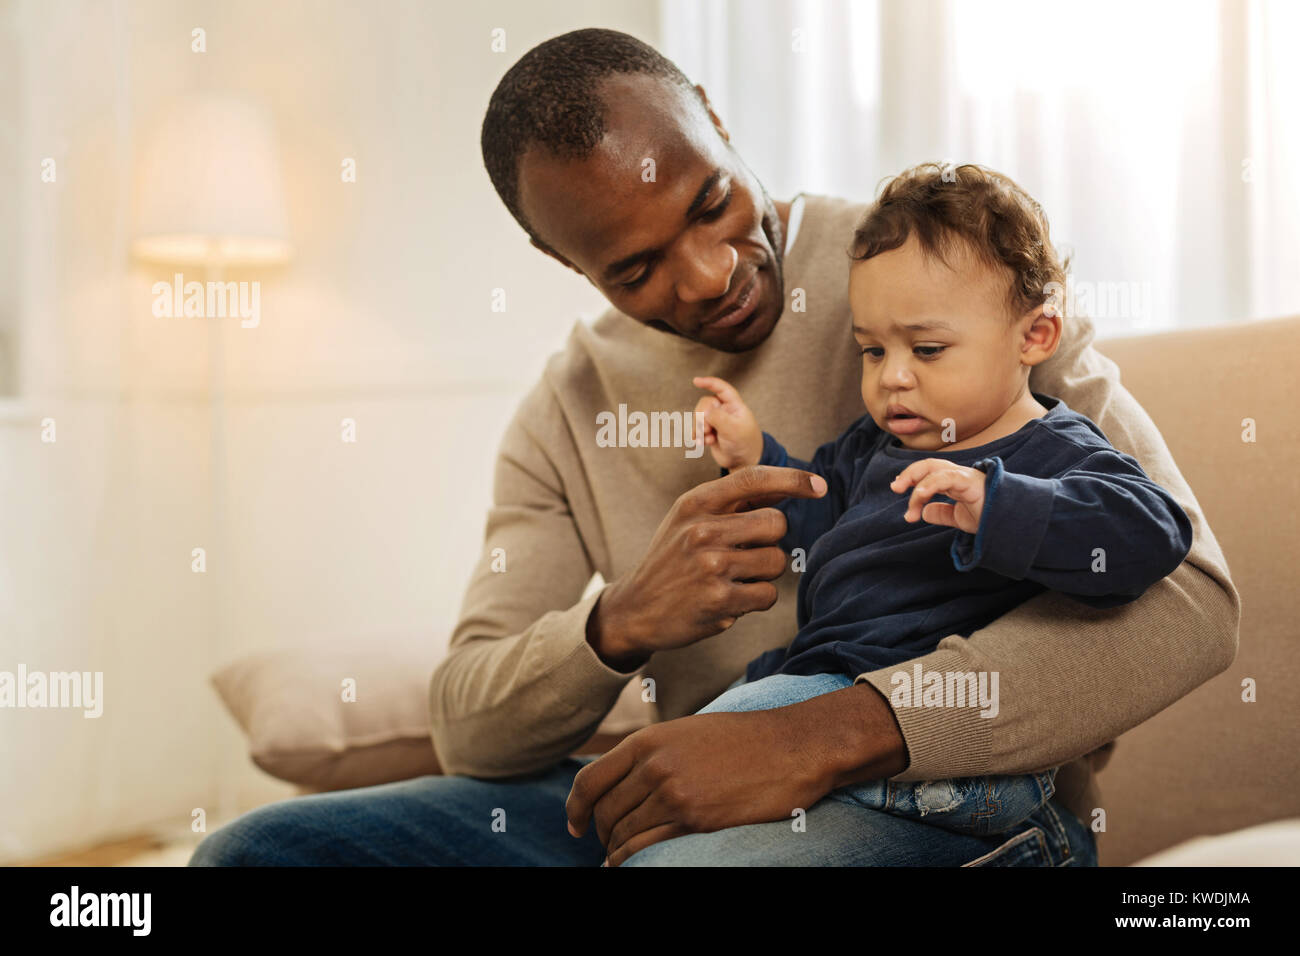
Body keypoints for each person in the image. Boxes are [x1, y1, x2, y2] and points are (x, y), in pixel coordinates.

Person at [190, 29, 1238, 868]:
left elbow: (1191, 603)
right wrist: (619, 620)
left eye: (710, 201)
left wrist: (815, 734)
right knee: (258, 852)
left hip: (929, 805)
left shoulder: (927, 270)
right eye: (633, 267)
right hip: (673, 783)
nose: (702, 274)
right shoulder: (568, 405)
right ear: (561, 260)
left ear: (719, 123)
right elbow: (470, 723)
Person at [686, 161, 1194, 839]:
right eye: (871, 351)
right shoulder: (874, 447)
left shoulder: (1055, 449)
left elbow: (1151, 535)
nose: (893, 377)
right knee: (684, 760)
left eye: (927, 349)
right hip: (824, 689)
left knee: (696, 765)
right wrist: (757, 457)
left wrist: (998, 507)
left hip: (930, 729)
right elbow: (820, 514)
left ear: (1034, 337)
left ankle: (967, 813)